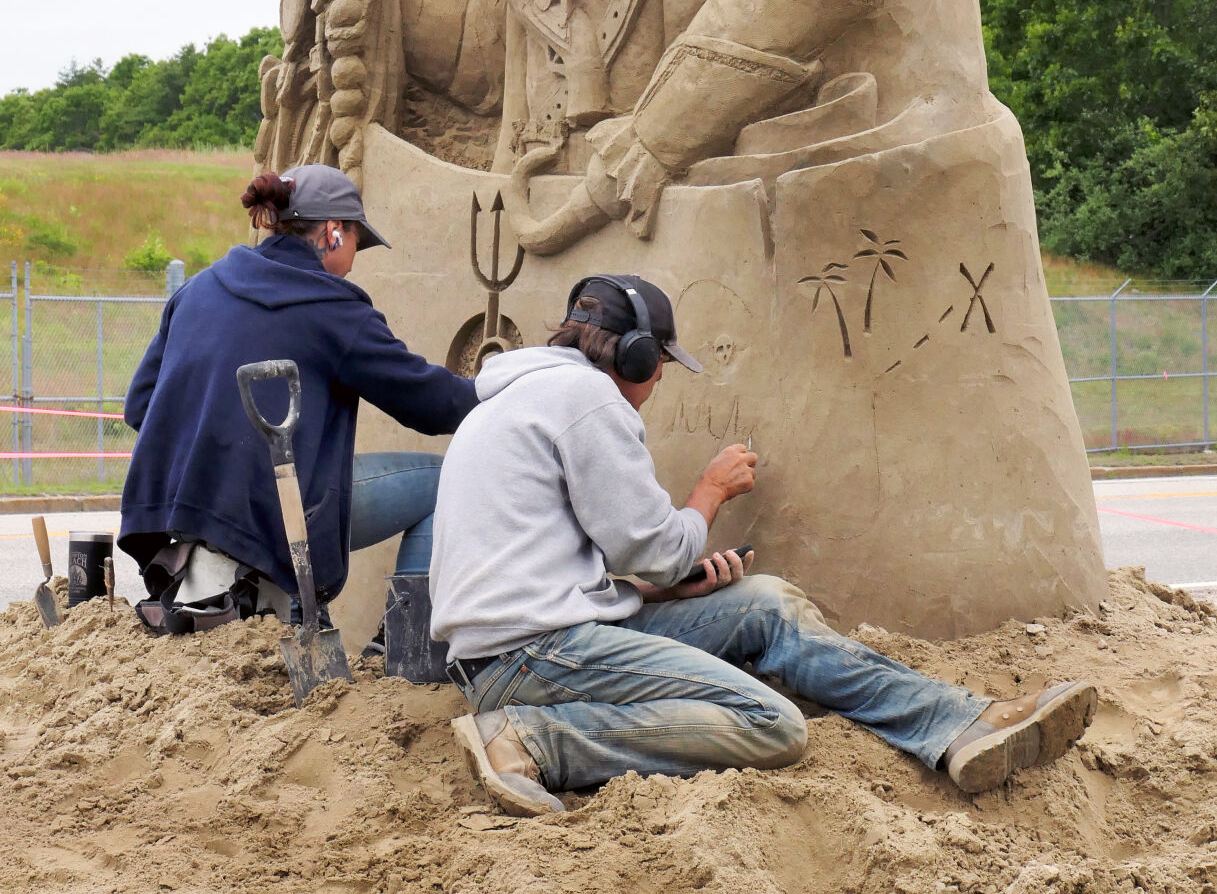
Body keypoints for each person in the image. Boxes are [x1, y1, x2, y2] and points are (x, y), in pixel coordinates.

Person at [430, 275, 1097, 816]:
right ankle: (533, 741)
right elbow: (655, 548)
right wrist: (710, 492)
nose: (659, 381)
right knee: (770, 725)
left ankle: (954, 727)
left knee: (765, 605)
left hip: (527, 640)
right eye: (659, 364)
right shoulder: (584, 397)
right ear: (633, 355)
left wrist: (653, 590)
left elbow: (576, 560)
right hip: (530, 656)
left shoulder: (519, 397)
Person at [120, 163, 477, 633]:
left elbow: (139, 407)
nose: (353, 259)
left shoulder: (198, 289)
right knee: (445, 481)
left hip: (183, 519)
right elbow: (432, 404)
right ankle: (398, 652)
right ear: (332, 232)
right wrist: (512, 386)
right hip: (275, 520)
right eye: (355, 242)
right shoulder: (335, 309)